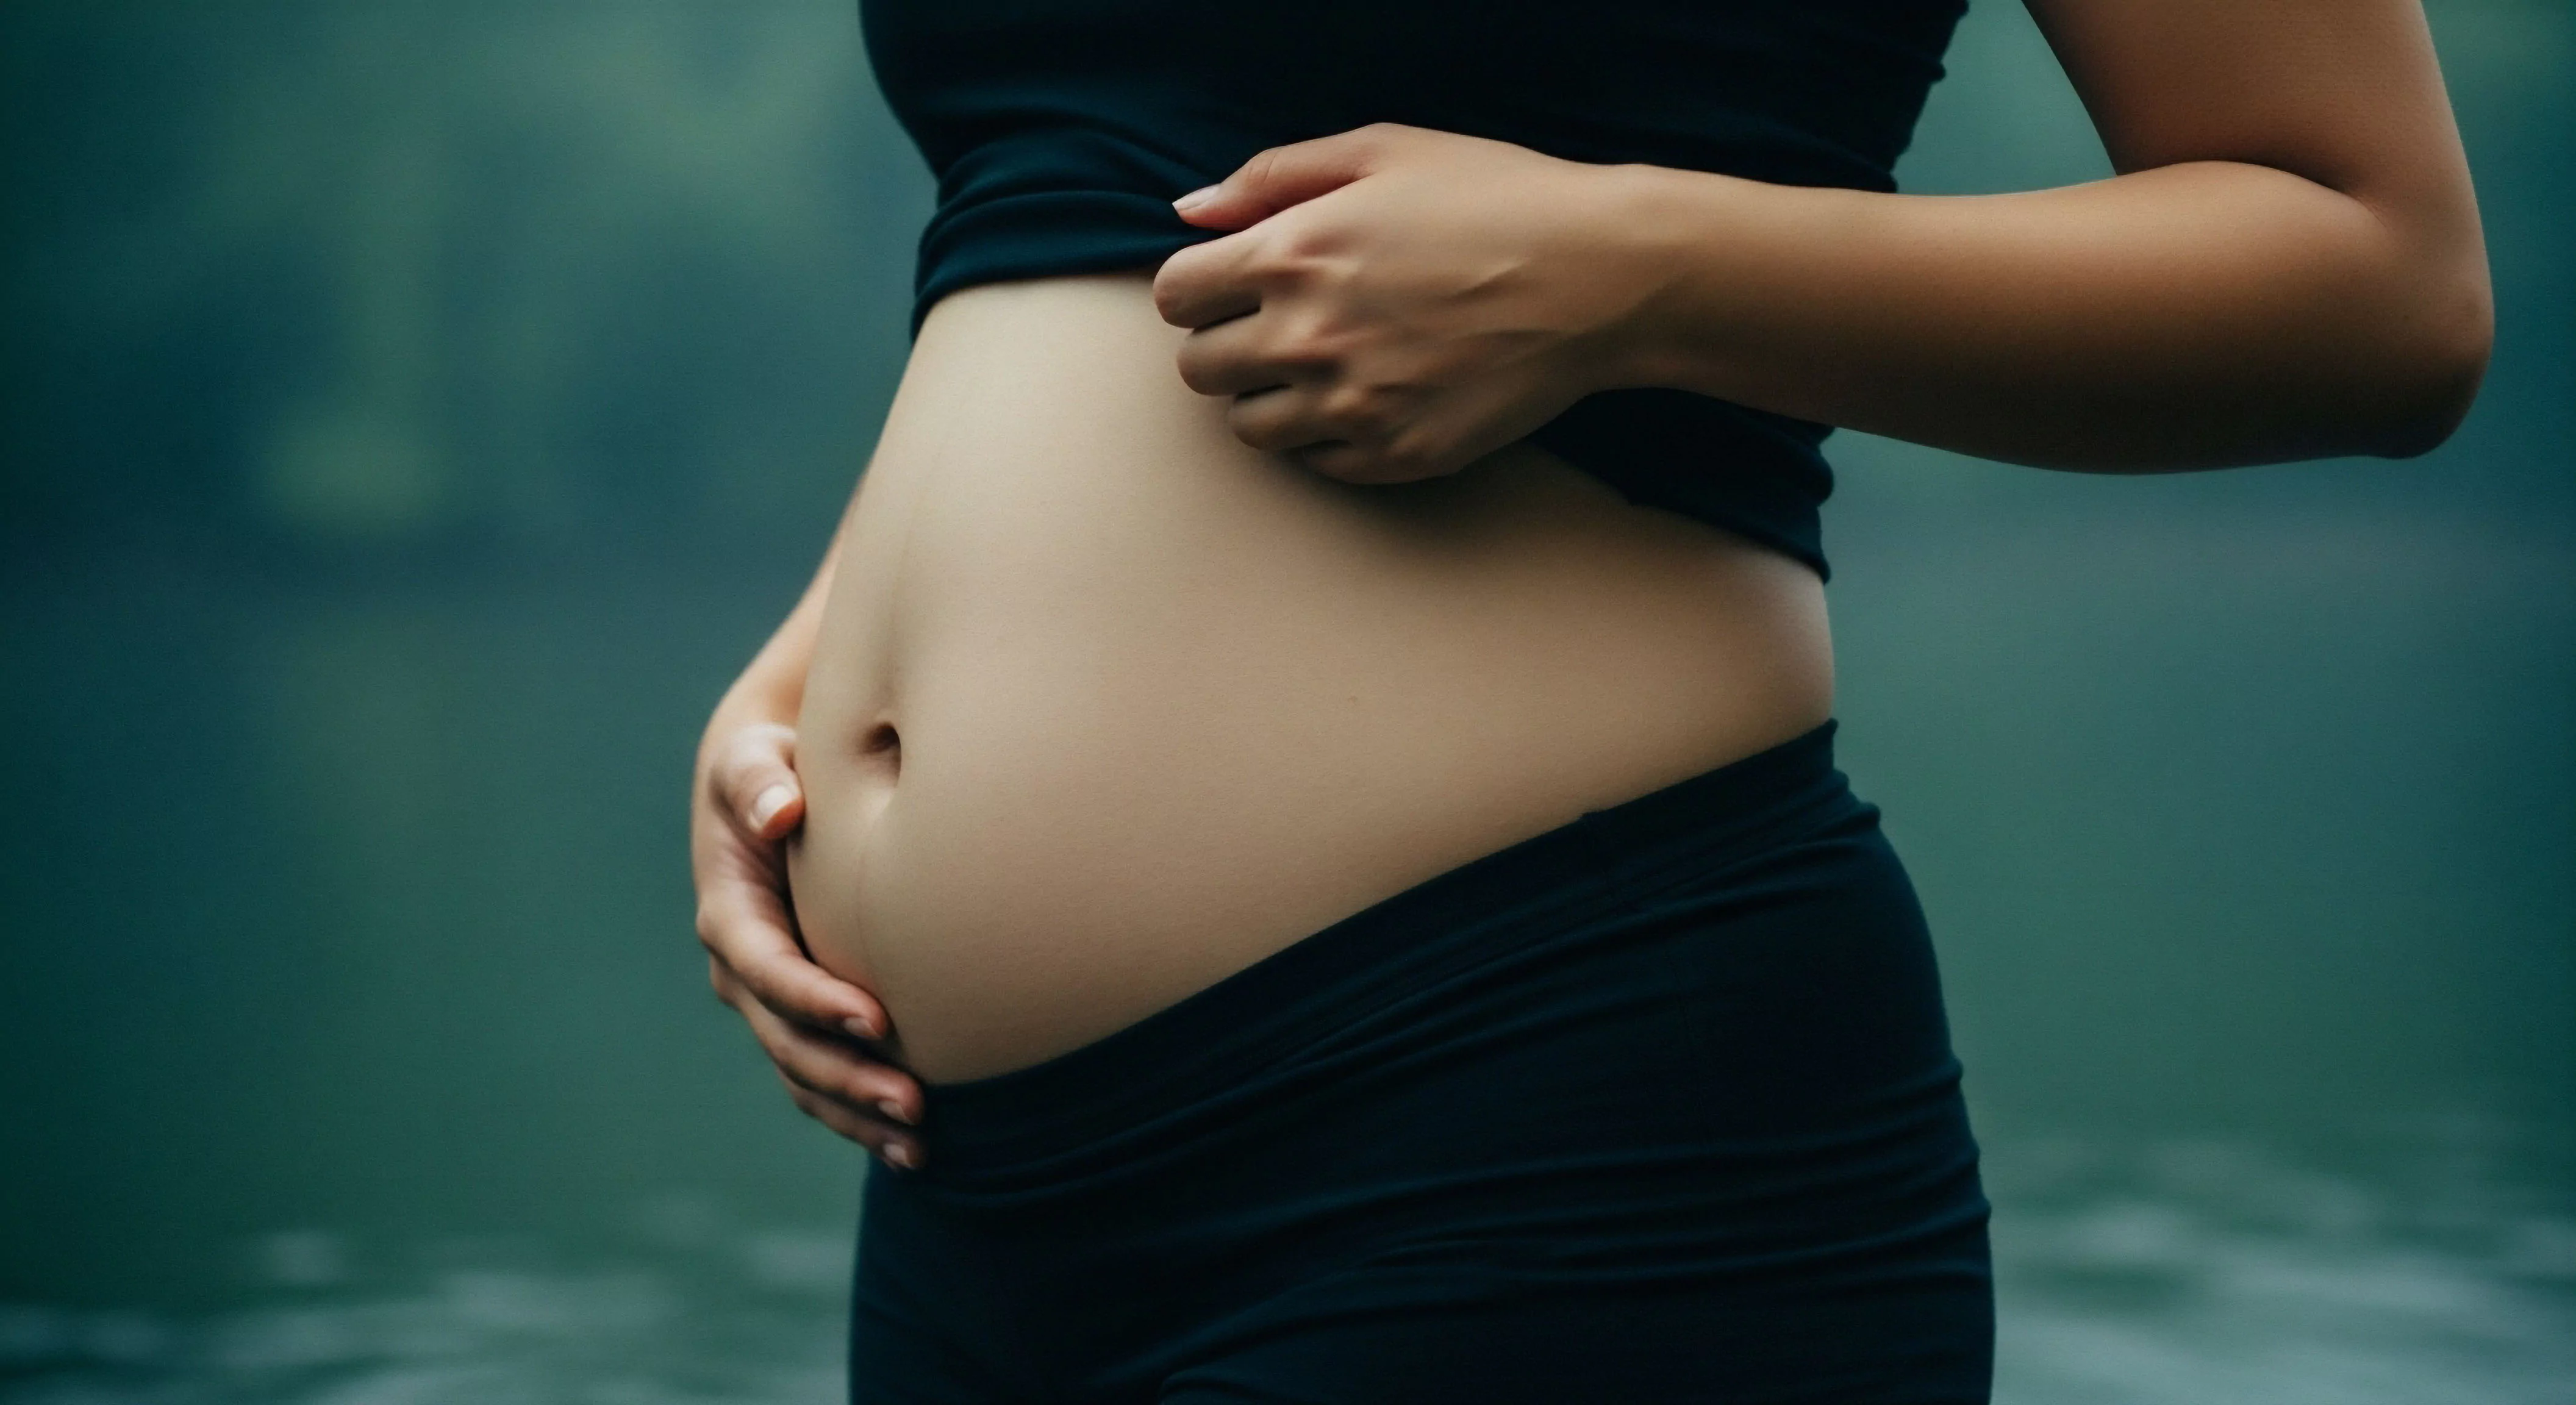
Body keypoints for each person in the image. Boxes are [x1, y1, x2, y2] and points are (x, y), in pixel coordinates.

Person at [689, 0, 2488, 1398]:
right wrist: (821, 660)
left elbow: (2383, 281)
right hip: (967, 1204)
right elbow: (1077, 194)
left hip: (1536, 1129)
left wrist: (1639, 273)